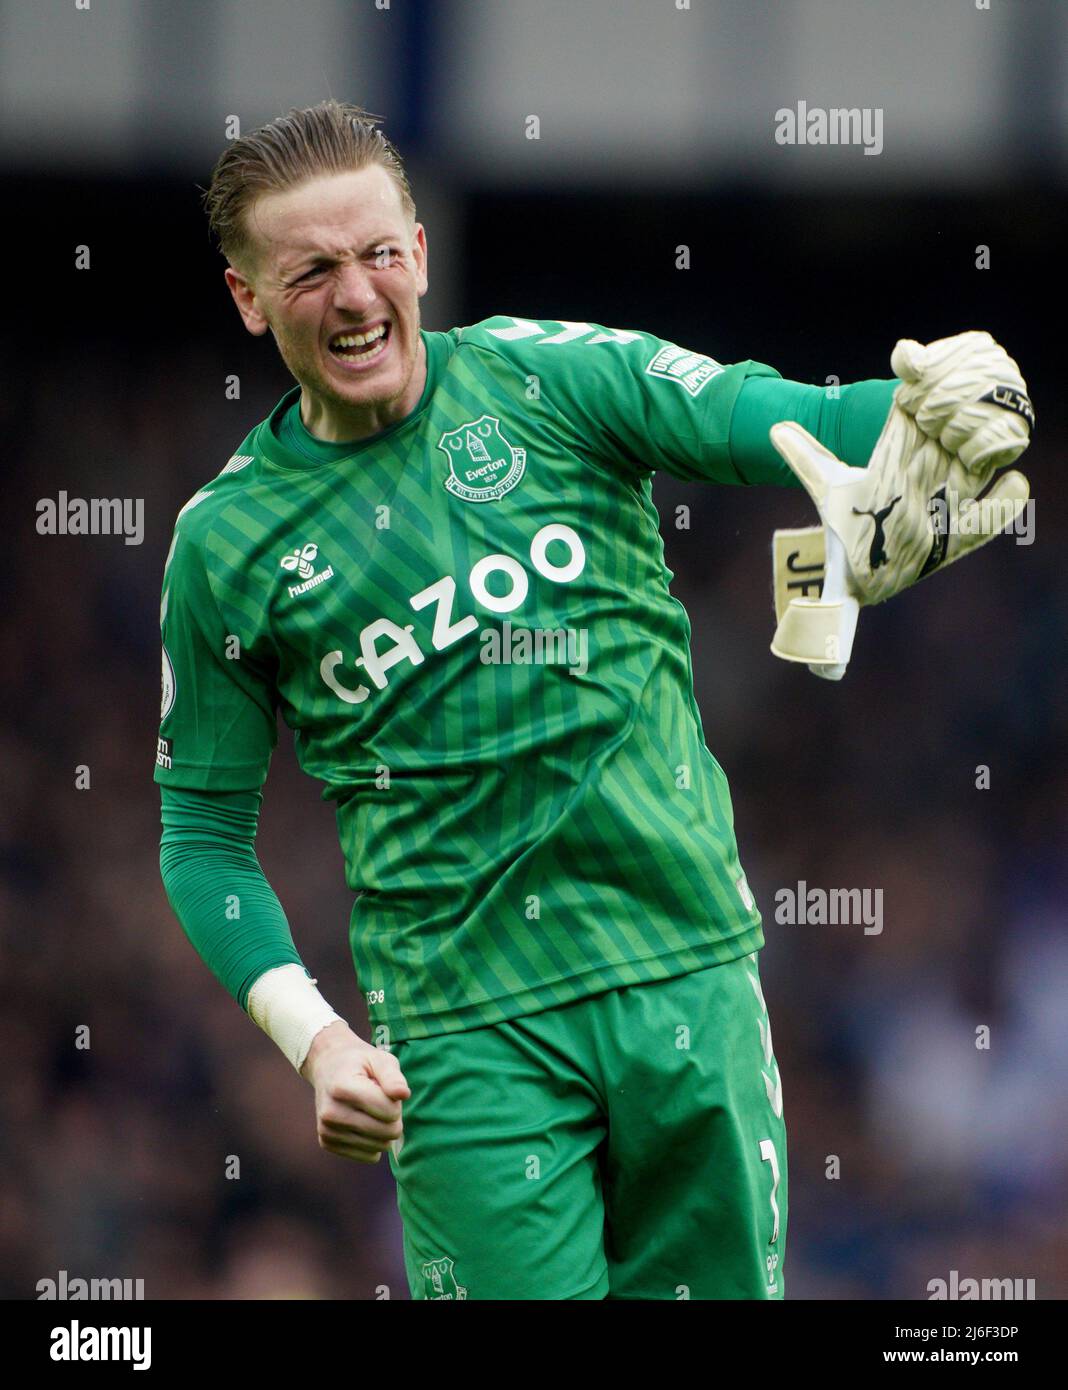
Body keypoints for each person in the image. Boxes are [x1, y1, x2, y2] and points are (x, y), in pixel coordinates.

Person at [156, 99, 1032, 1300]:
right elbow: (202, 840)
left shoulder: (554, 379)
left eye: (378, 255)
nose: (357, 296)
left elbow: (788, 419)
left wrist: (947, 409)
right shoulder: (225, 543)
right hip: (466, 1037)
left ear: (419, 246)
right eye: (311, 271)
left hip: (688, 972)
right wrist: (316, 1039)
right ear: (249, 297)